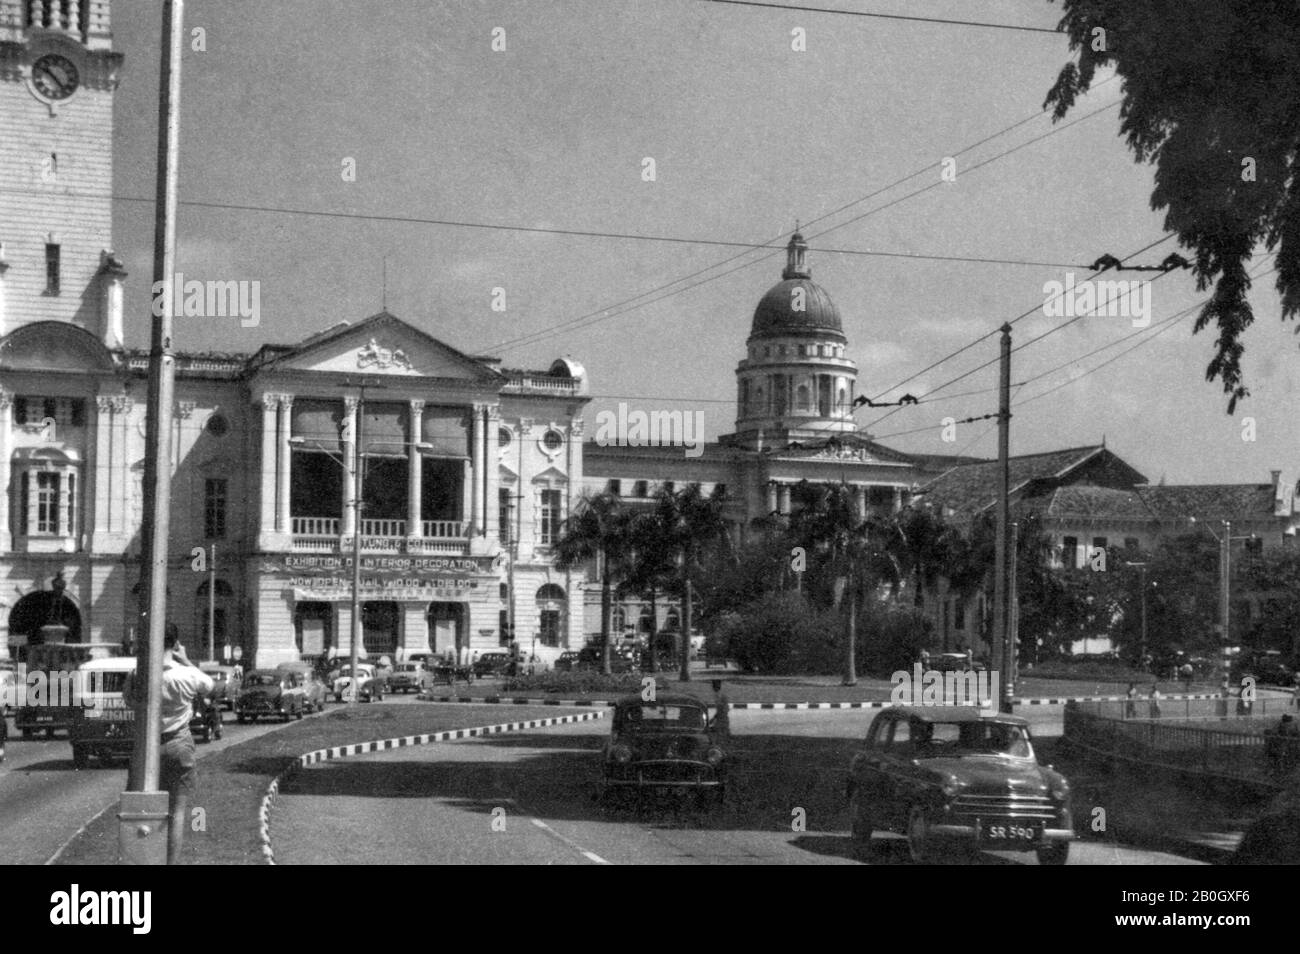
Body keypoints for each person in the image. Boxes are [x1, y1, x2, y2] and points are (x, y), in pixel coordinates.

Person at [125, 627, 214, 865]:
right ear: (175, 644)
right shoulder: (186, 674)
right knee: (176, 811)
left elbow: (128, 700)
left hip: (146, 743)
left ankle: (140, 860)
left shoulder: (138, 673)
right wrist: (185, 659)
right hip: (178, 742)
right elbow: (209, 685)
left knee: (137, 810)